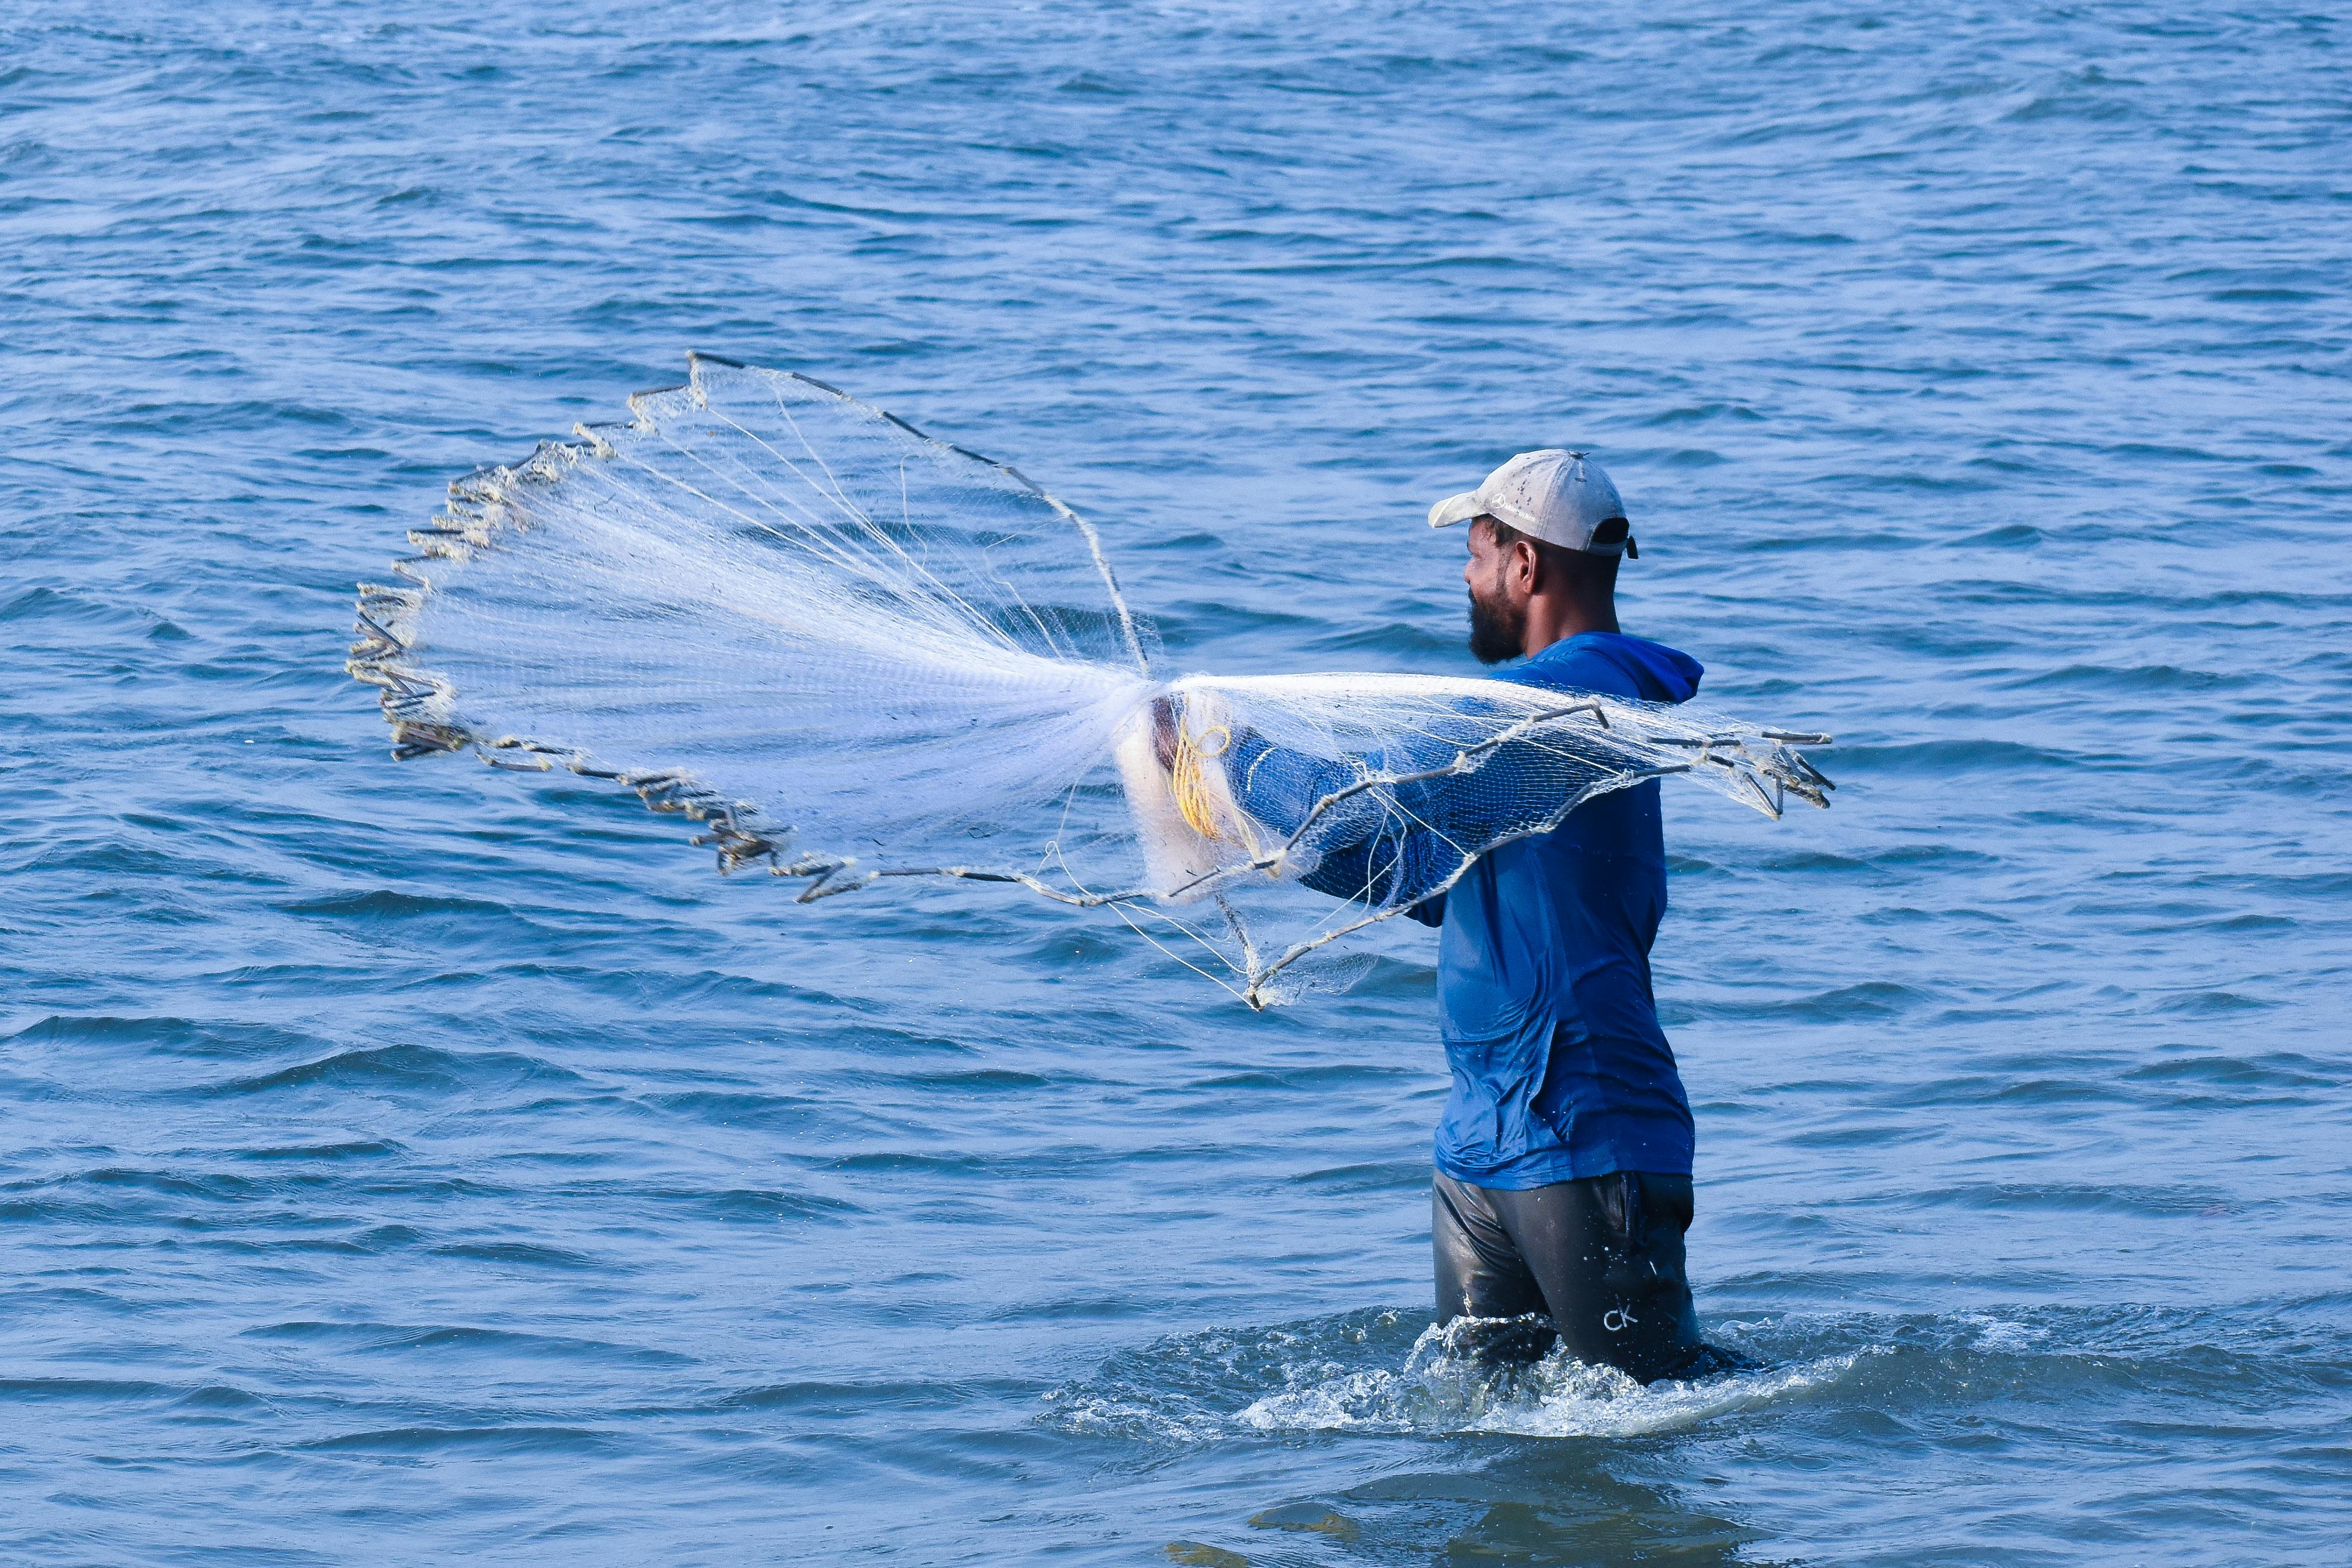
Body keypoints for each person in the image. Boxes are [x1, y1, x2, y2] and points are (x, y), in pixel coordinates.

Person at [1172, 450, 1736, 1382]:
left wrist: (1224, 752)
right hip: (1482, 1136)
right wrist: (1250, 827)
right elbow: (1426, 882)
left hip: (1582, 1125)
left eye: (1475, 554)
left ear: (1525, 564)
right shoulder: (1538, 717)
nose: (1466, 580)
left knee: (1655, 1414)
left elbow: (1369, 796)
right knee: (1488, 1425)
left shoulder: (1559, 700)